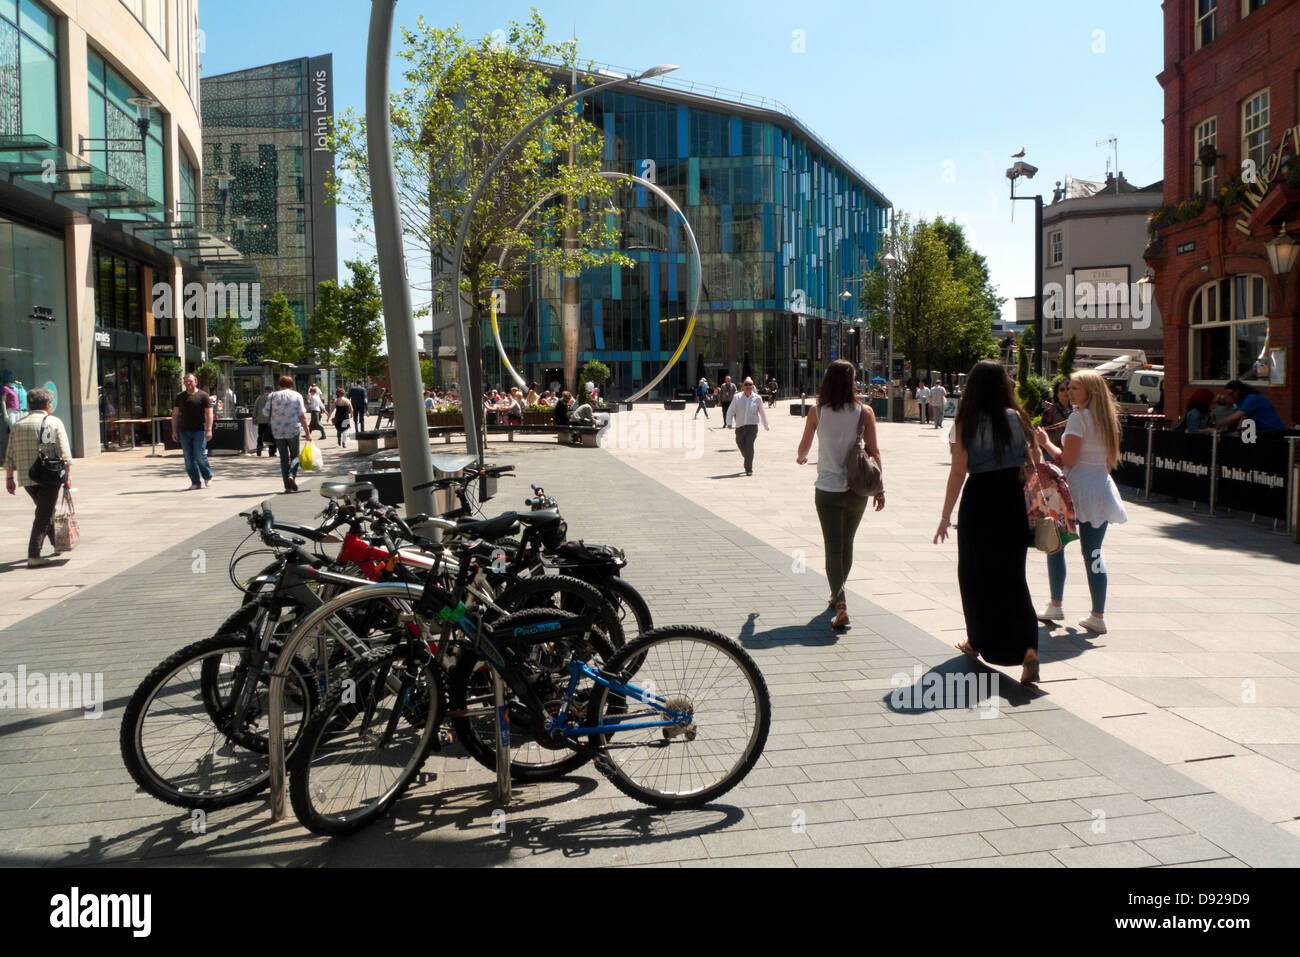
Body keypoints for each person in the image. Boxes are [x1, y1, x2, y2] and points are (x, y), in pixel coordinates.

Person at [933, 360, 1041, 684]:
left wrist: (944, 516)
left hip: (979, 501)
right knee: (1013, 577)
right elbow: (1033, 462)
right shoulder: (1018, 418)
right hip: (1011, 500)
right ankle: (1030, 651)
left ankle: (977, 641)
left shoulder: (964, 422)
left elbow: (957, 472)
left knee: (975, 575)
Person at [1035, 369, 1129, 635]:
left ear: (1090, 391)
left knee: (1056, 545)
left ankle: (1056, 603)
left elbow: (1068, 459)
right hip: (1100, 488)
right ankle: (1097, 614)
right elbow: (1108, 463)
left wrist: (1045, 443)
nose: (1068, 392)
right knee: (1094, 553)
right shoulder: (1107, 419)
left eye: (1074, 388)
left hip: (1075, 489)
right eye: (1067, 388)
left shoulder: (1078, 418)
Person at [796, 359, 885, 629]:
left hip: (827, 491)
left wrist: (801, 457)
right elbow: (875, 452)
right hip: (857, 489)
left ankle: (841, 600)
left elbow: (803, 448)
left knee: (832, 547)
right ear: (852, 382)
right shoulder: (864, 411)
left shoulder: (816, 411)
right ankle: (837, 595)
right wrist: (880, 488)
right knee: (847, 544)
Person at [4, 388, 73, 567]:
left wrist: (9, 478)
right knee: (43, 514)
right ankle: (34, 554)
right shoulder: (52, 423)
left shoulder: (18, 425)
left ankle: (57, 544)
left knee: (46, 510)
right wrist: (67, 475)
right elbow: (63, 452)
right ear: (47, 405)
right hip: (49, 476)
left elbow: (9, 455)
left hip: (27, 478)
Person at [268, 375, 311, 493]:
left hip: (277, 430)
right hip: (293, 429)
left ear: (279, 384)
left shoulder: (272, 396)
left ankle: (287, 487)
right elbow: (302, 416)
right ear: (291, 384)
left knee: (283, 458)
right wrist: (307, 433)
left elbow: (266, 412)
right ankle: (292, 475)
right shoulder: (297, 395)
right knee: (295, 456)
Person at [171, 373, 213, 490]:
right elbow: (175, 415)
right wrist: (174, 431)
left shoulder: (203, 396)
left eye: (190, 381)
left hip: (200, 430)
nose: (187, 383)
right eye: (185, 381)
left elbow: (209, 414)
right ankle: (195, 482)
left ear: (196, 382)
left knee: (199, 454)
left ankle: (207, 476)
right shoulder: (180, 396)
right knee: (188, 458)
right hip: (184, 431)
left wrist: (209, 430)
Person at [725, 377, 770, 476]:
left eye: (750, 384)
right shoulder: (737, 397)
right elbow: (731, 410)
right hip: (740, 426)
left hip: (752, 427)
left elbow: (762, 412)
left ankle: (748, 468)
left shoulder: (757, 398)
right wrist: (729, 422)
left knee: (749, 446)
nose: (748, 386)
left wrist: (766, 425)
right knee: (740, 443)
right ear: (742, 387)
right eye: (746, 384)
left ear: (753, 386)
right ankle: (748, 458)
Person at [1212, 379, 1285, 435]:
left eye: (1231, 394)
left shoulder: (1252, 398)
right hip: (1261, 430)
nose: (1230, 397)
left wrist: (1219, 424)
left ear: (1238, 390)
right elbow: (1235, 422)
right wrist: (1225, 431)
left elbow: (1236, 416)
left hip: (1272, 430)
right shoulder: (1240, 402)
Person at [1040, 377, 1072, 453]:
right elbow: (1043, 429)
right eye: (1062, 389)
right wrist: (1062, 424)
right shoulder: (1051, 410)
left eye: (1068, 389)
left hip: (1071, 450)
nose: (1066, 392)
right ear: (1056, 393)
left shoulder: (1076, 410)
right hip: (1054, 451)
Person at [252, 385, 274, 456]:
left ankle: (259, 448)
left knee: (260, 435)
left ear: (265, 390)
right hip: (271, 421)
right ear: (271, 391)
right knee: (271, 436)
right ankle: (271, 452)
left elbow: (255, 409)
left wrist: (254, 420)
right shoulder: (274, 398)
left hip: (261, 421)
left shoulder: (259, 398)